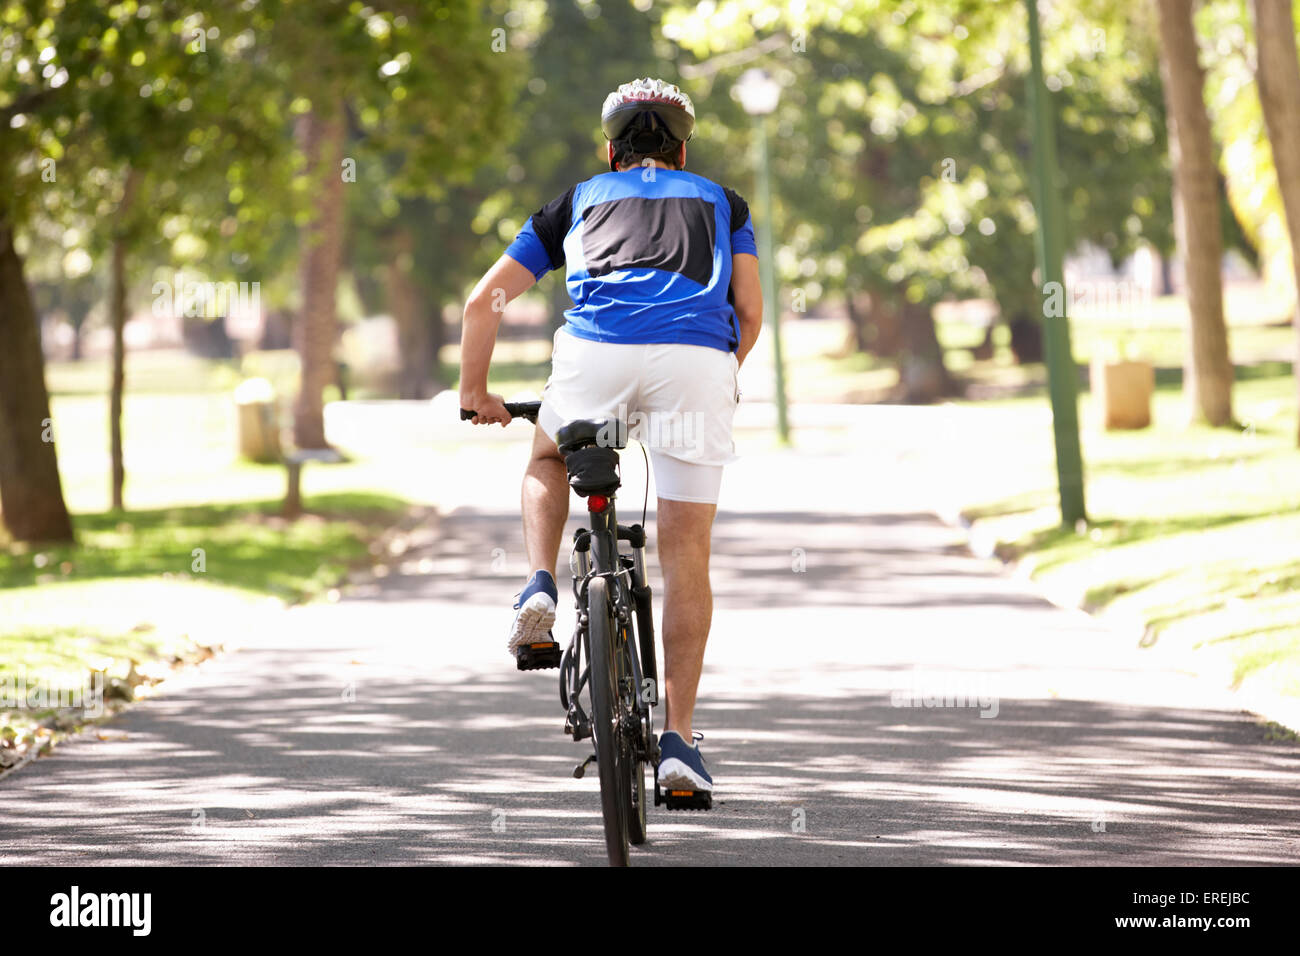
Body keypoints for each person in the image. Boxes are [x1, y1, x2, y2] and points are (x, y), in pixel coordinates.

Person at [458, 77, 763, 798]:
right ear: (682, 151)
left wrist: (476, 394)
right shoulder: (724, 203)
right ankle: (678, 742)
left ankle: (539, 585)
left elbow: (482, 303)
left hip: (597, 358)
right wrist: (715, 374)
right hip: (695, 364)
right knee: (686, 557)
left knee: (548, 454)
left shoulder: (576, 201)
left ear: (610, 151)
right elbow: (749, 313)